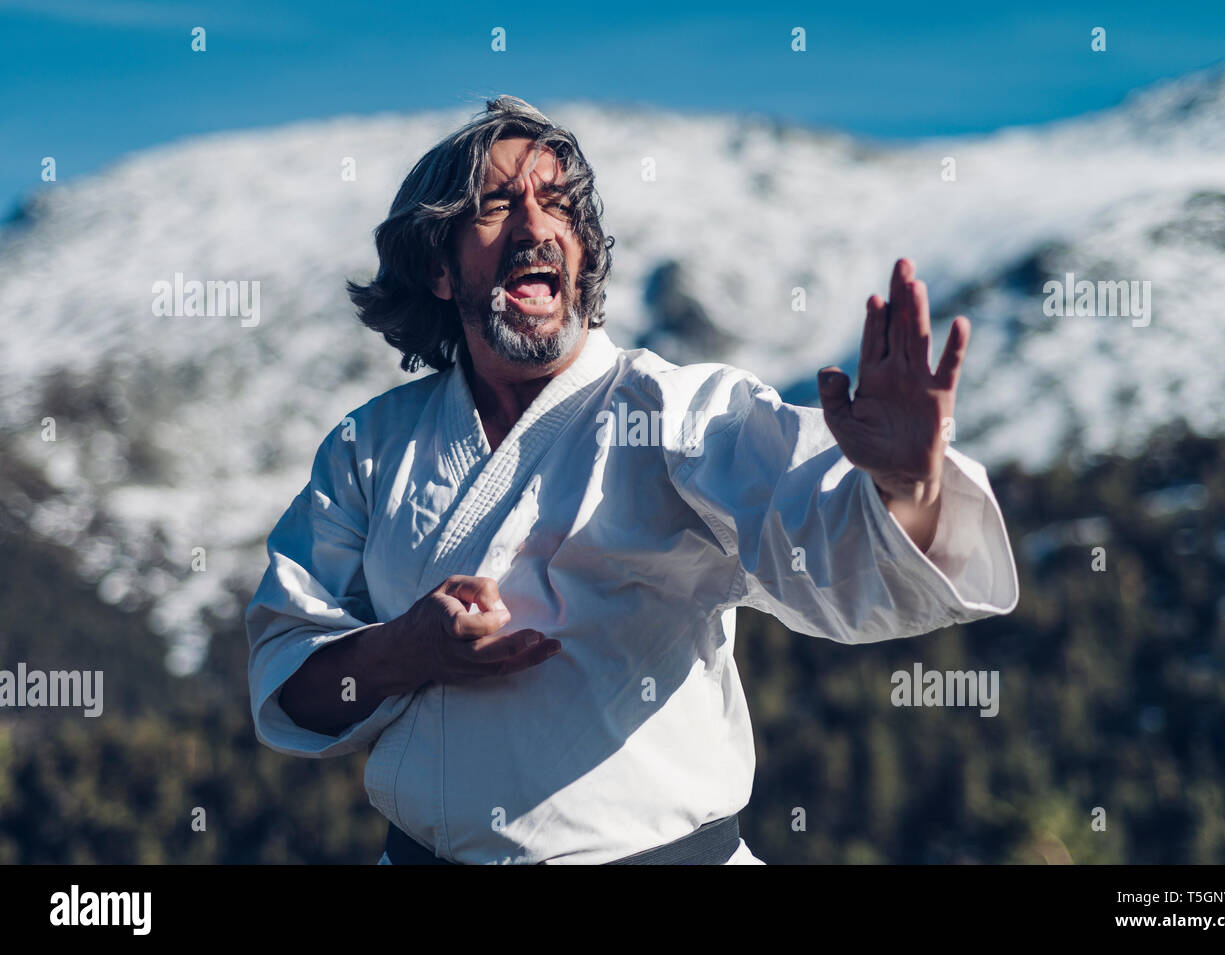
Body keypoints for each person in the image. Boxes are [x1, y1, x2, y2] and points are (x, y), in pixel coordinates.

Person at [245, 95, 1019, 865]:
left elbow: (826, 546)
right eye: (495, 205)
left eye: (558, 205)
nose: (535, 226)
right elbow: (291, 684)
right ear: (440, 271)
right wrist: (405, 650)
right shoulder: (370, 449)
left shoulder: (682, 414)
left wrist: (905, 488)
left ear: (581, 256)